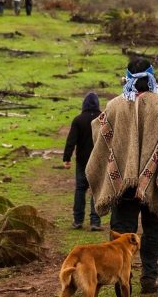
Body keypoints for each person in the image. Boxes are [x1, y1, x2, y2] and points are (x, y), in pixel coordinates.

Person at [86, 57, 158, 294]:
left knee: (121, 234)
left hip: (122, 186)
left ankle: (120, 281)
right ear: (151, 77)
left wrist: (121, 160)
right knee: (154, 229)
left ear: (128, 78)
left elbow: (99, 134)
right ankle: (149, 277)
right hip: (156, 184)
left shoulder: (114, 106)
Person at [63, 92, 103, 232]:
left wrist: (66, 159)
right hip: (99, 160)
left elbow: (71, 141)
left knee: (80, 189)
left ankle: (78, 220)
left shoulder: (78, 120)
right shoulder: (103, 119)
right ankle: (95, 222)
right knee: (96, 190)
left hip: (82, 161)